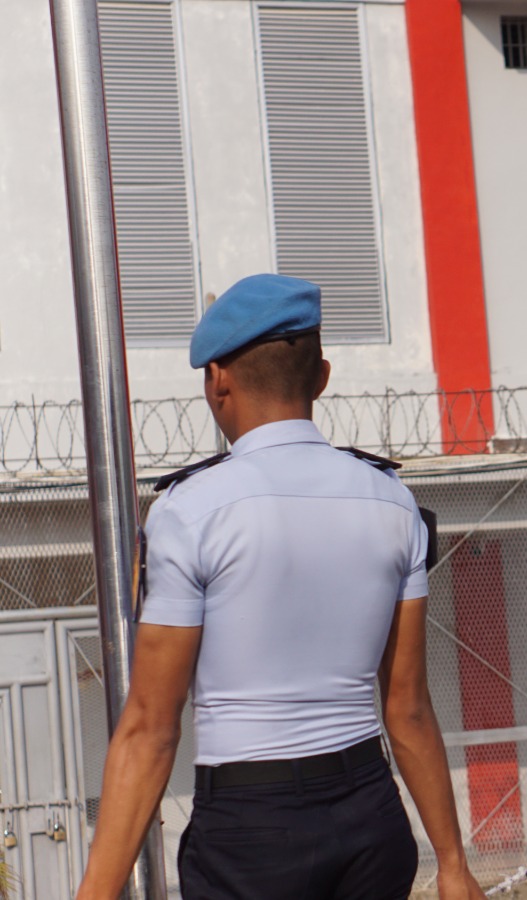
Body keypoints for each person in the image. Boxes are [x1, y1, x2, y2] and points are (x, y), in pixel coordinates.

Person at [75, 274, 487, 900]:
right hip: (370, 819)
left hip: (251, 833)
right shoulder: (392, 501)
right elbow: (406, 708)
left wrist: (95, 893)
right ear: (321, 377)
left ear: (217, 380)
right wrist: (453, 866)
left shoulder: (191, 512)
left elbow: (152, 726)